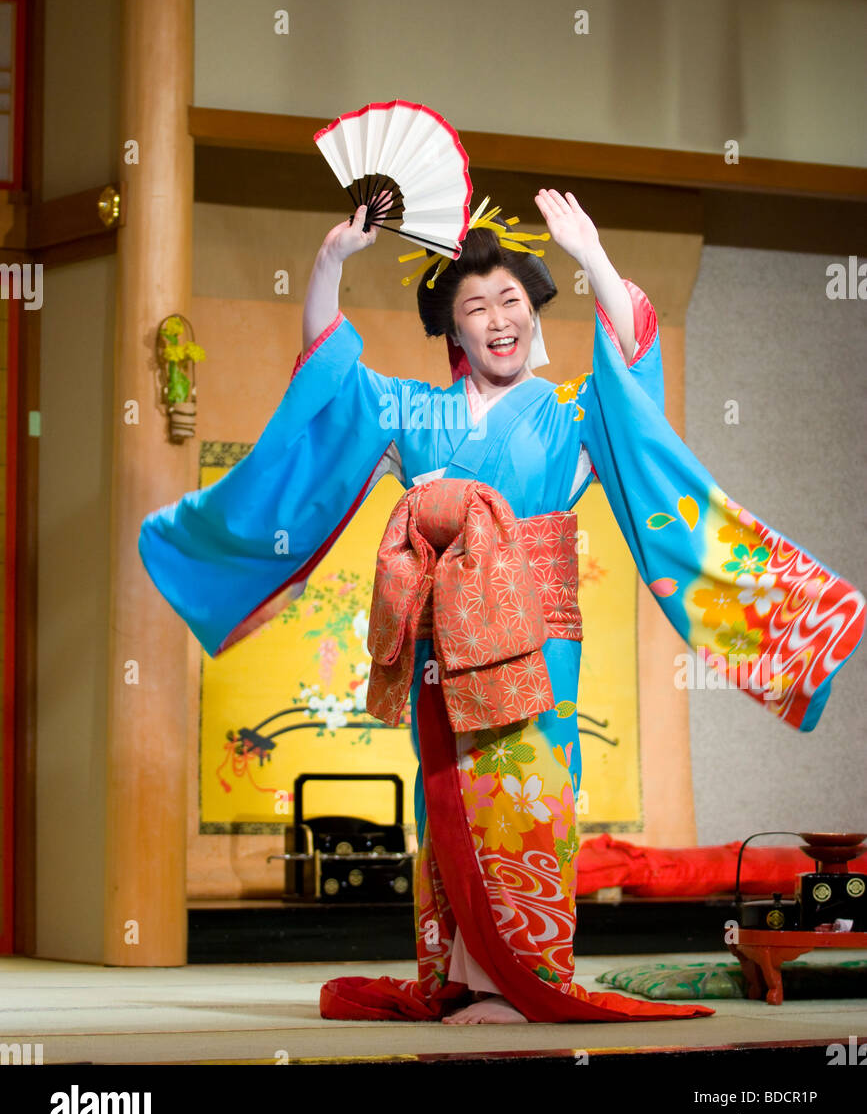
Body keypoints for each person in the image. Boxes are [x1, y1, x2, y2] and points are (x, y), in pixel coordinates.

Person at [139, 188, 865, 1025]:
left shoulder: (570, 413)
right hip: (442, 638)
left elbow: (632, 367)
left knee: (528, 795)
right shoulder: (414, 410)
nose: (495, 319)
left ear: (534, 311)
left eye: (510, 300)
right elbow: (328, 388)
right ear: (451, 328)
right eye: (473, 306)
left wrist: (590, 252)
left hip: (537, 634)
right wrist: (330, 260)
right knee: (445, 796)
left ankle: (519, 979)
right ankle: (461, 975)